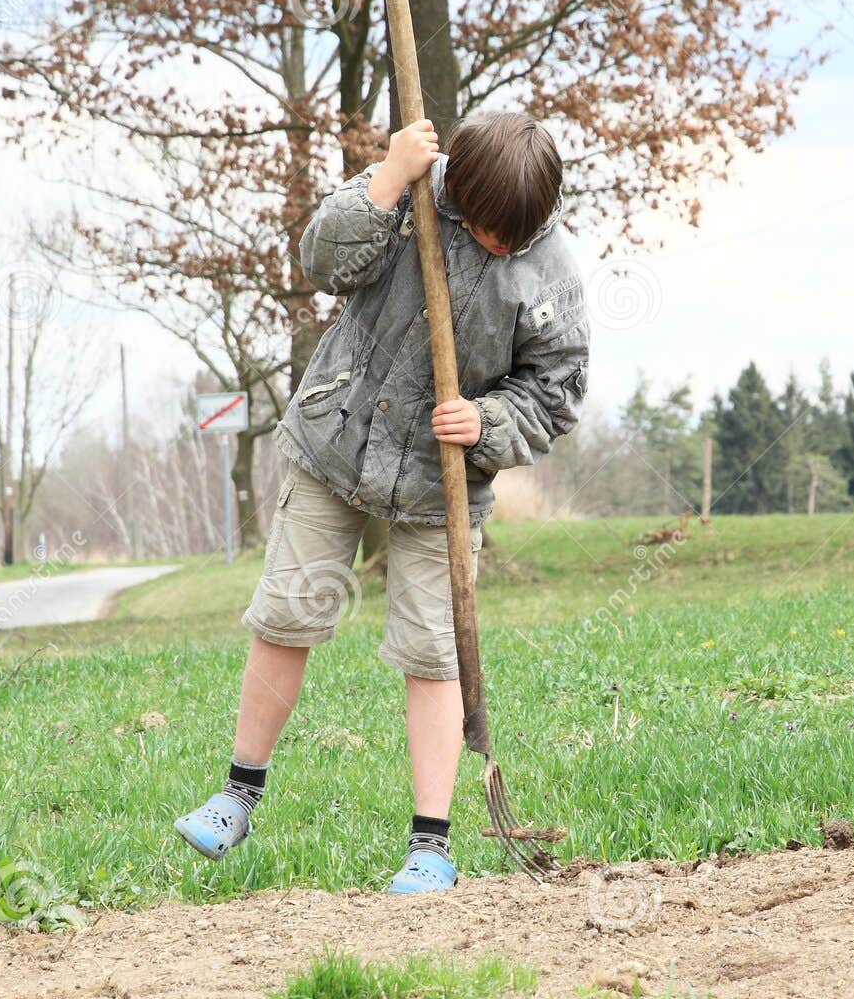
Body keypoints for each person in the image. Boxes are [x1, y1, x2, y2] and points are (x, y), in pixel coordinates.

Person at [175, 110, 589, 892]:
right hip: (336, 440)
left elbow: (557, 388)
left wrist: (488, 421)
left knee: (433, 651)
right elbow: (321, 261)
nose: (500, 243)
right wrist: (387, 178)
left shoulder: (550, 268)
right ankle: (237, 794)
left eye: (515, 233)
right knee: (288, 613)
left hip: (443, 481)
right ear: (459, 186)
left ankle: (430, 844)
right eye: (488, 226)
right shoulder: (409, 191)